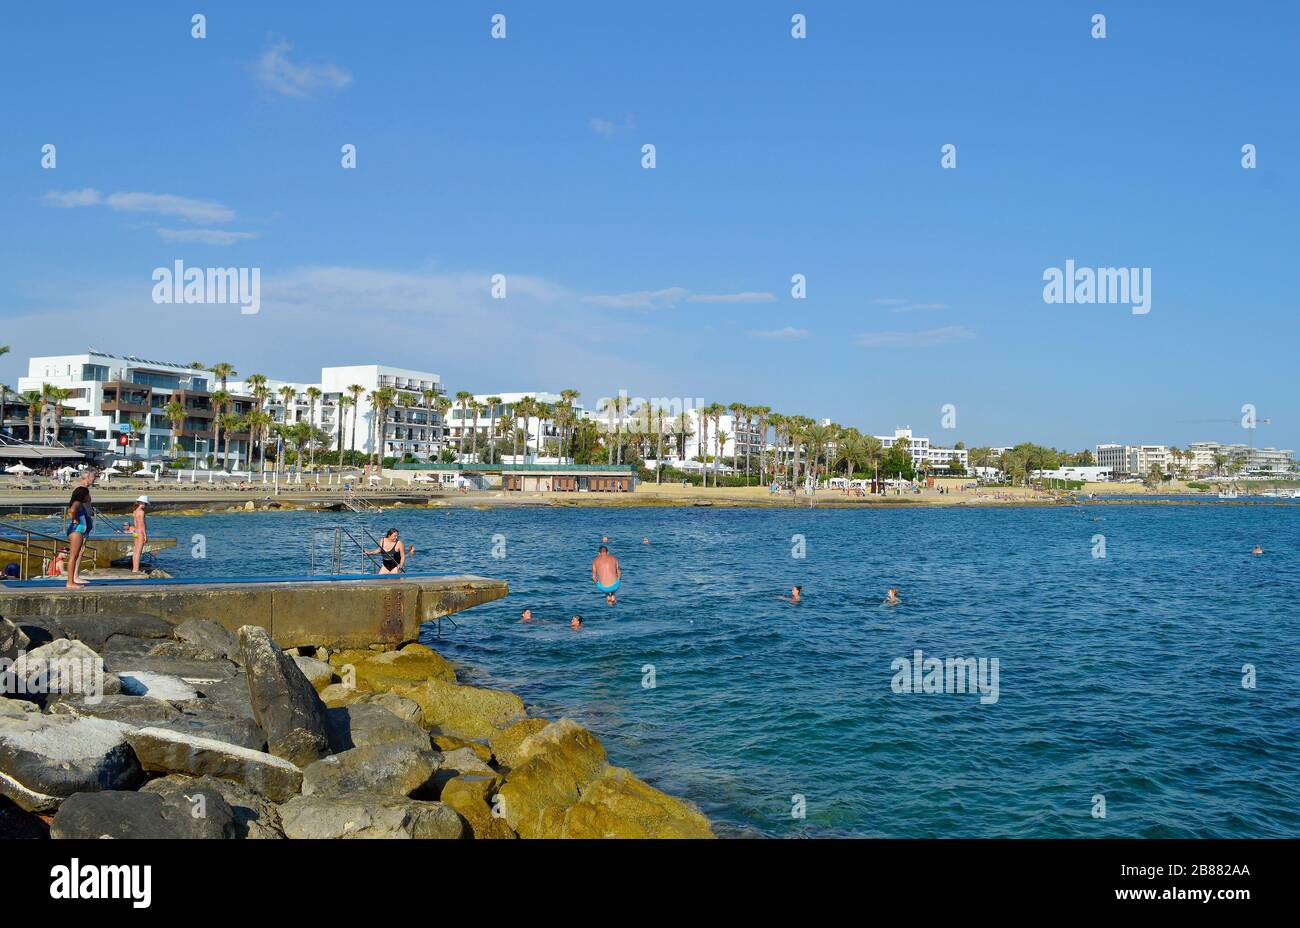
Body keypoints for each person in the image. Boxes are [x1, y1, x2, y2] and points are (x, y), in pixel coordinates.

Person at [64, 485, 93, 589]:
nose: (89, 496)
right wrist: (75, 518)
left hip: (78, 532)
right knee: (73, 557)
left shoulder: (80, 503)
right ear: (82, 495)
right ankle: (70, 582)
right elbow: (72, 510)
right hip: (76, 531)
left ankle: (71, 581)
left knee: (75, 557)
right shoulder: (77, 503)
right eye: (87, 494)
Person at [127, 495, 150, 574]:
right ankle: (136, 569)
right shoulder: (141, 512)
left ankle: (134, 568)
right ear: (141, 503)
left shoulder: (135, 511)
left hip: (135, 532)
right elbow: (142, 524)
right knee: (138, 552)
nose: (145, 505)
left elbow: (135, 523)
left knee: (135, 551)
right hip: (140, 532)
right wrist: (145, 535)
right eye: (145, 504)